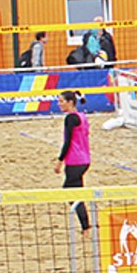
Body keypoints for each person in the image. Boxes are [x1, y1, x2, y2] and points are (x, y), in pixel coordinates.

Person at [54, 90, 92, 233]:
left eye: (61, 101)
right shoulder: (82, 116)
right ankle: (86, 225)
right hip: (85, 159)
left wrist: (59, 161)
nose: (59, 104)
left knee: (70, 193)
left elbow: (68, 141)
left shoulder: (70, 118)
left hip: (75, 161)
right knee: (76, 192)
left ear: (70, 102)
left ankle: (86, 227)